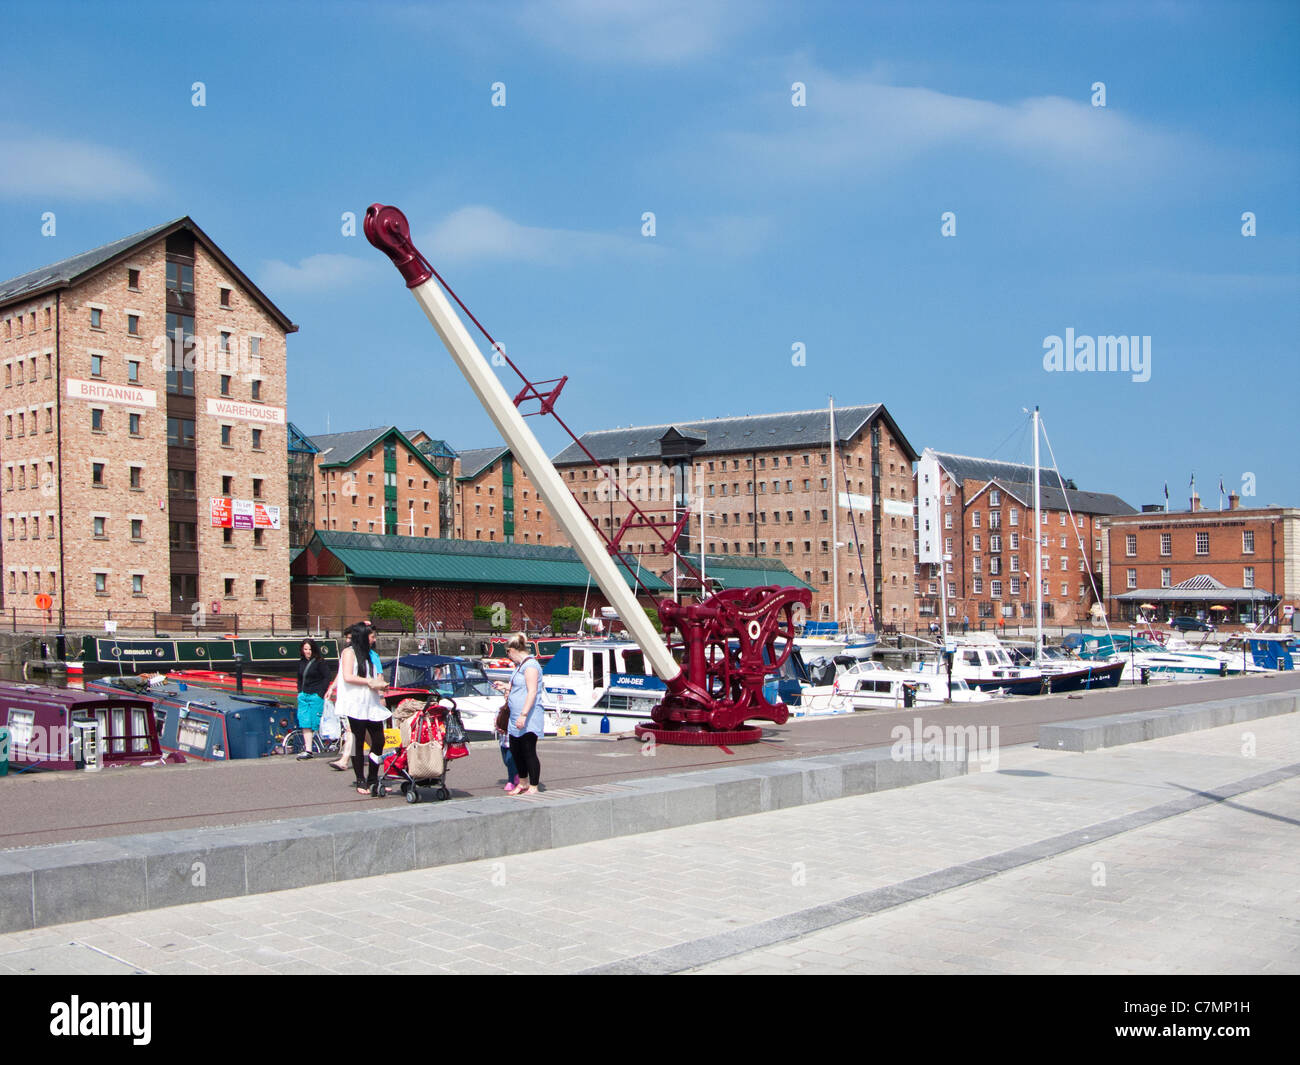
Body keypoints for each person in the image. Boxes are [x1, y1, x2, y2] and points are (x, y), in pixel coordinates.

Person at [334, 621, 390, 795]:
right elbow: (348, 676)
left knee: (379, 740)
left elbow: (375, 674)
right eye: (371, 636)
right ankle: (360, 779)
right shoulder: (349, 652)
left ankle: (373, 777)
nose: (374, 640)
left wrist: (380, 687)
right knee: (358, 741)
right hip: (355, 702)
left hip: (370, 701)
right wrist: (369, 681)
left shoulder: (369, 654)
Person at [503, 632, 543, 796]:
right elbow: (519, 687)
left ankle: (534, 785)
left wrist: (524, 714)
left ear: (513, 650)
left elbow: (532, 691)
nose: (508, 656)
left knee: (528, 750)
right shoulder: (519, 666)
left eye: (507, 652)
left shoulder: (530, 665)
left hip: (528, 716)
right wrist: (506, 688)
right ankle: (523, 781)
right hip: (514, 717)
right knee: (515, 749)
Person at [294, 638, 332, 760]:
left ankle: (330, 743)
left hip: (316, 695)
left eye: (309, 649)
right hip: (304, 696)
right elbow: (299, 678)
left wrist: (320, 693)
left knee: (316, 722)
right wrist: (299, 692)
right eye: (305, 649)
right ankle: (308, 750)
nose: (307, 652)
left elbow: (327, 677)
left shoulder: (320, 662)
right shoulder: (301, 662)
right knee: (305, 722)